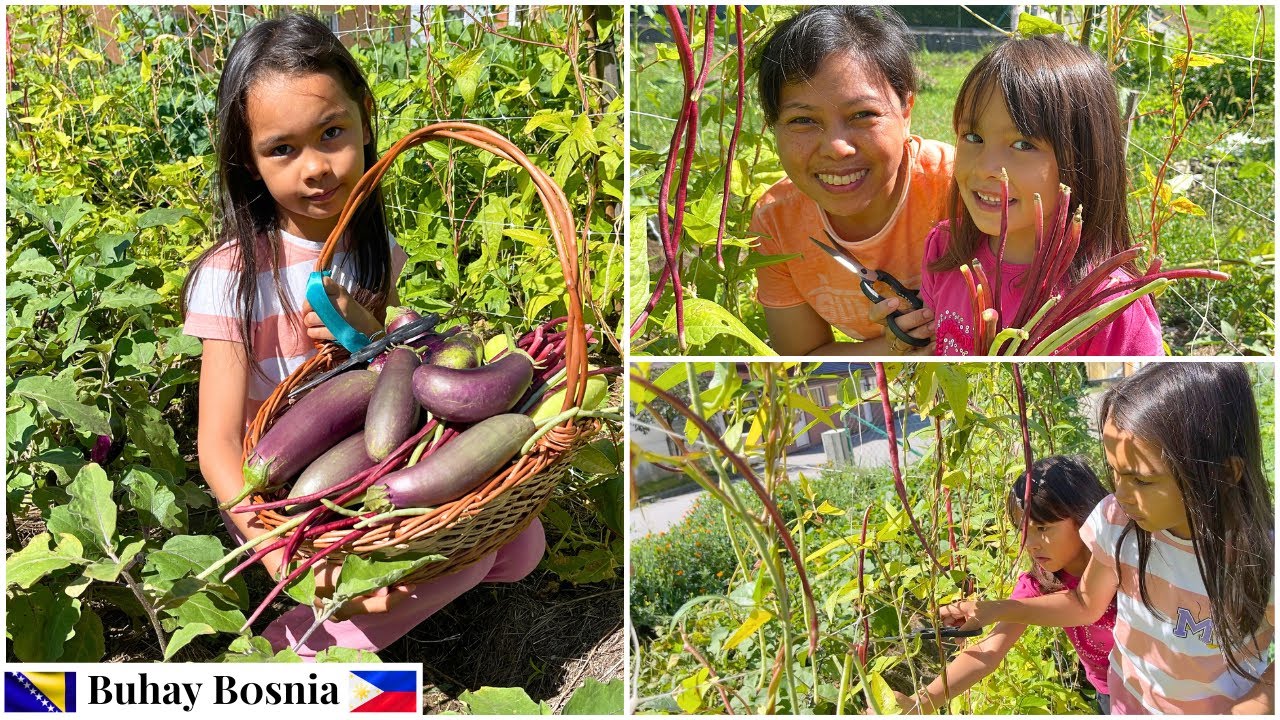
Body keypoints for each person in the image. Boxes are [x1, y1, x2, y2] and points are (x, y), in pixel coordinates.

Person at [181, 13, 544, 659]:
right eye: (282, 149)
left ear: (366, 117)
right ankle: (289, 662)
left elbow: (388, 367)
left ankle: (387, 601)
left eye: (332, 133)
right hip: (282, 485)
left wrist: (368, 330)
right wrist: (275, 554)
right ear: (249, 159)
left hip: (366, 452)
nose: (316, 168)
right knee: (453, 565)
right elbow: (216, 442)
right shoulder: (234, 274)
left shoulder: (375, 251)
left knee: (519, 547)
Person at [941, 363, 1274, 713]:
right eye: (1114, 473)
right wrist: (999, 609)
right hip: (1127, 705)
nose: (1122, 494)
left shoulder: (1263, 560)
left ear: (1222, 474)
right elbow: (1085, 605)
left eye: (1142, 480)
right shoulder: (1118, 523)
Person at [920, 36, 1162, 356]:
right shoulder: (944, 247)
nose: (986, 168)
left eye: (1023, 144)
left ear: (1084, 158)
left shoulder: (1108, 309)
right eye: (973, 137)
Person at [749, 5, 952, 355]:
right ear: (773, 128)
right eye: (802, 121)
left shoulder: (964, 186)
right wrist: (893, 346)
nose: (837, 148)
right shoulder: (776, 223)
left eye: (862, 115)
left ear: (906, 112)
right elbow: (803, 357)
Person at [893, 456, 1116, 714]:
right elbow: (988, 650)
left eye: (1042, 527)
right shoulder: (1040, 583)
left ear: (1085, 517)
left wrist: (998, 608)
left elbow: (1084, 603)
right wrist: (922, 703)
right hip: (1110, 694)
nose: (1030, 544)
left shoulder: (1121, 559)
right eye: (1021, 530)